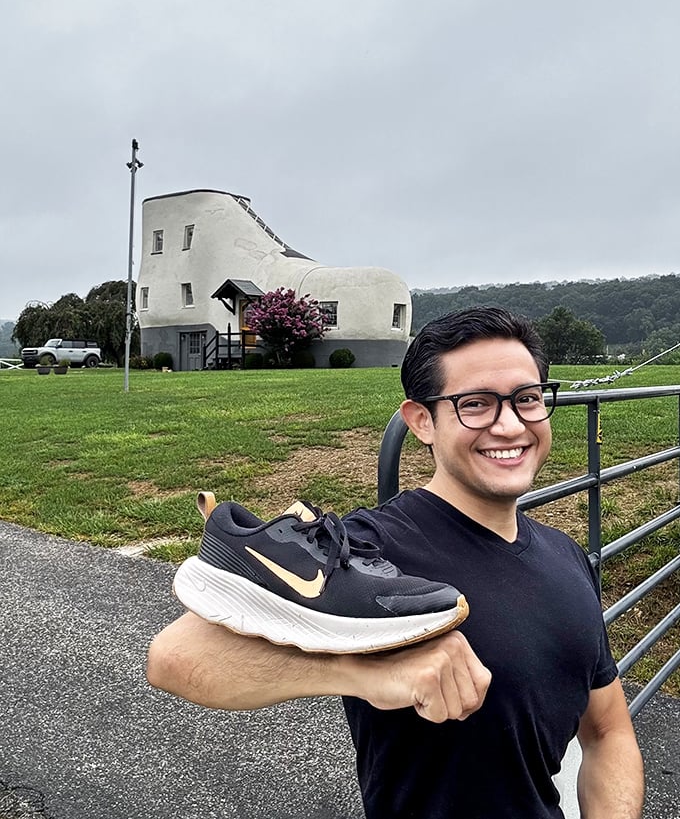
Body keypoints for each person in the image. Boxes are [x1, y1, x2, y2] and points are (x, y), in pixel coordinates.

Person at [147, 307, 644, 818]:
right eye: (475, 404)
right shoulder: (365, 555)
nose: (510, 424)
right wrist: (363, 673)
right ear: (421, 421)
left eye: (527, 399)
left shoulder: (567, 556)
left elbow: (607, 732)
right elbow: (174, 659)